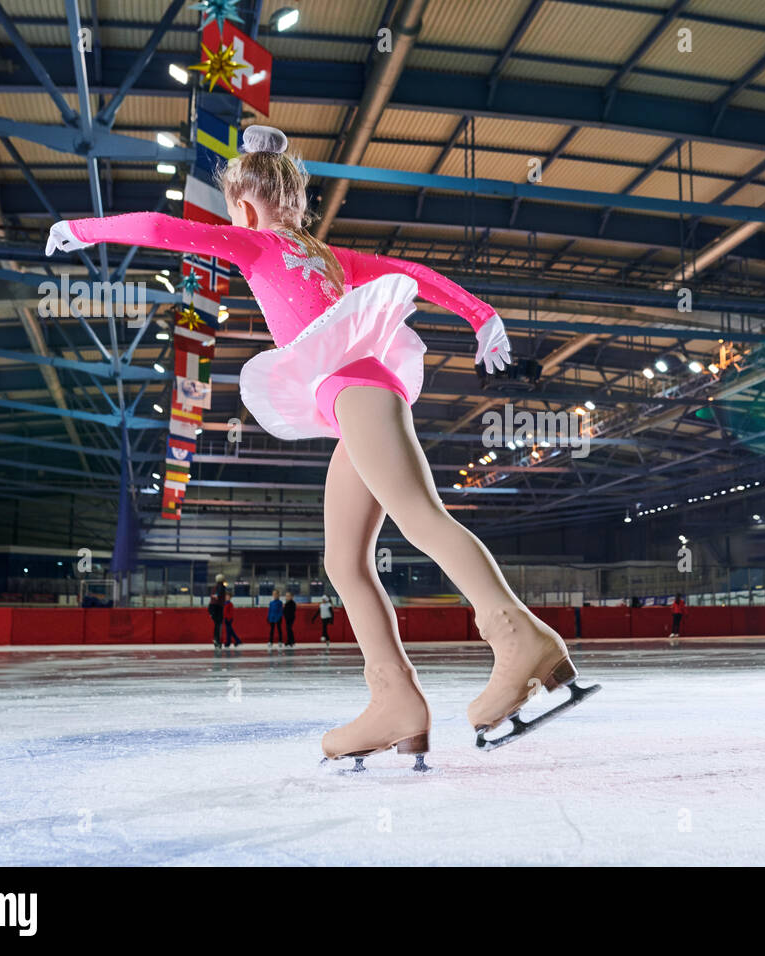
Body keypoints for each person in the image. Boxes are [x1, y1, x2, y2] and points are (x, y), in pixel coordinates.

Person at [46, 125, 588, 767]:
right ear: (297, 202)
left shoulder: (252, 244)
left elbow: (165, 230)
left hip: (357, 391)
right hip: (359, 395)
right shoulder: (335, 259)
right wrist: (480, 315)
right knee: (344, 561)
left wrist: (82, 229)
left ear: (244, 206)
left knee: (420, 517)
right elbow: (414, 272)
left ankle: (518, 637)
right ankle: (394, 701)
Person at [208, 573, 228, 649]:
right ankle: (217, 639)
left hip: (212, 607)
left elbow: (215, 595)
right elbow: (219, 593)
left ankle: (216, 639)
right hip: (218, 607)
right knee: (219, 624)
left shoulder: (215, 587)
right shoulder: (221, 586)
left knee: (217, 624)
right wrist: (217, 595)